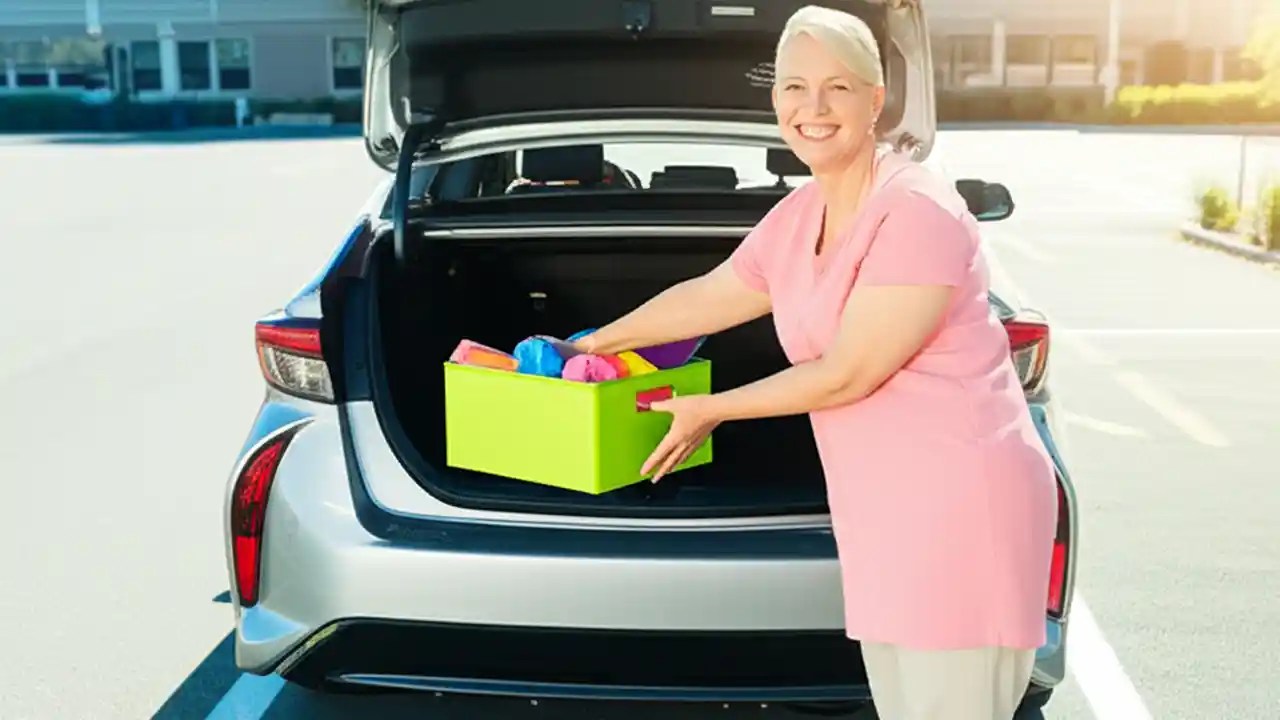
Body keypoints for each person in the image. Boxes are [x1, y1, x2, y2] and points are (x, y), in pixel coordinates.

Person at [571, 5, 1058, 719]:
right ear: (775, 102)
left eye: (837, 87)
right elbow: (712, 296)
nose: (813, 108)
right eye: (795, 88)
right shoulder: (802, 214)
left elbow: (849, 372)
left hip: (960, 507)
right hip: (887, 514)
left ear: (876, 99)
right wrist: (593, 344)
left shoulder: (916, 209)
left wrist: (713, 409)